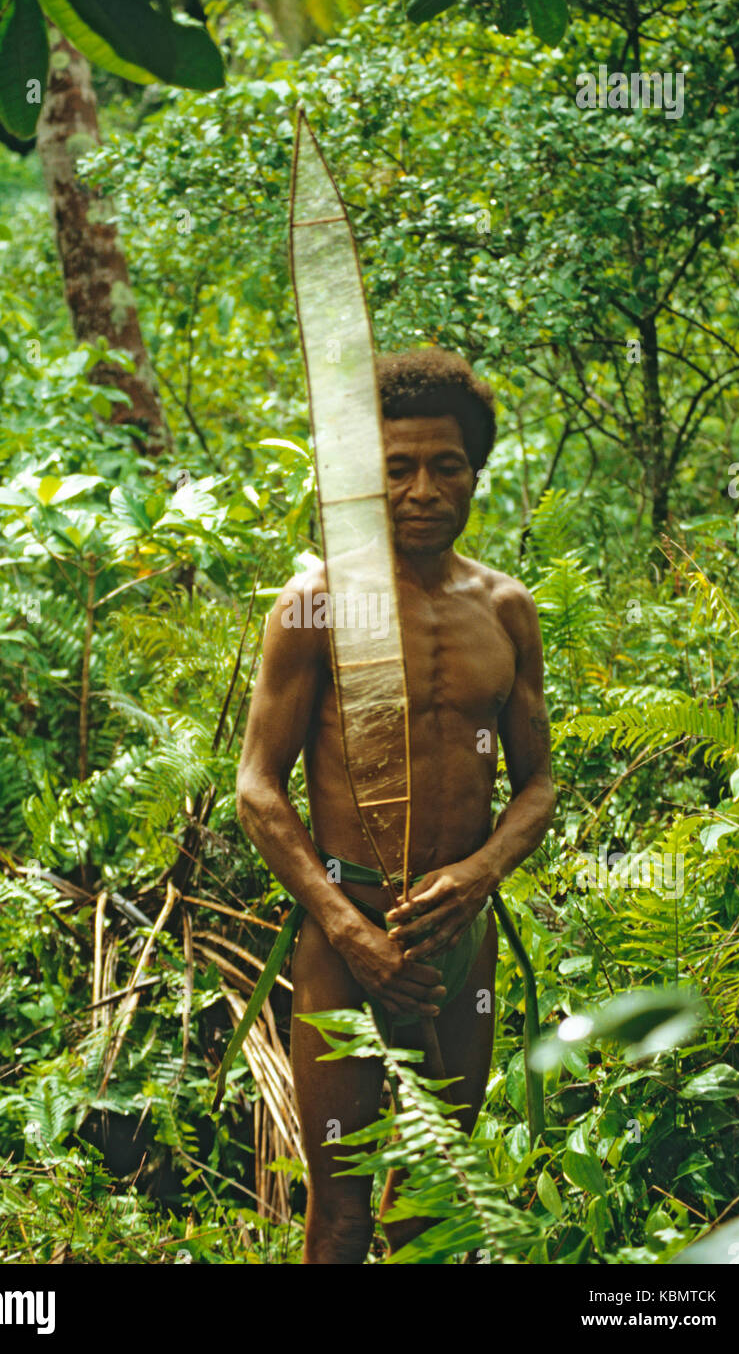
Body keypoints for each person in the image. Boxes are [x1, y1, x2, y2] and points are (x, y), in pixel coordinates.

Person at [236, 347, 555, 1264]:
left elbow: (537, 780)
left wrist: (477, 873)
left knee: (432, 1212)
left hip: (460, 950)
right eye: (397, 467)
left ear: (475, 472)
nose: (422, 489)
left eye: (444, 465)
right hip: (347, 944)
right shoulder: (315, 607)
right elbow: (259, 788)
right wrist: (349, 930)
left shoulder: (504, 609)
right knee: (340, 1217)